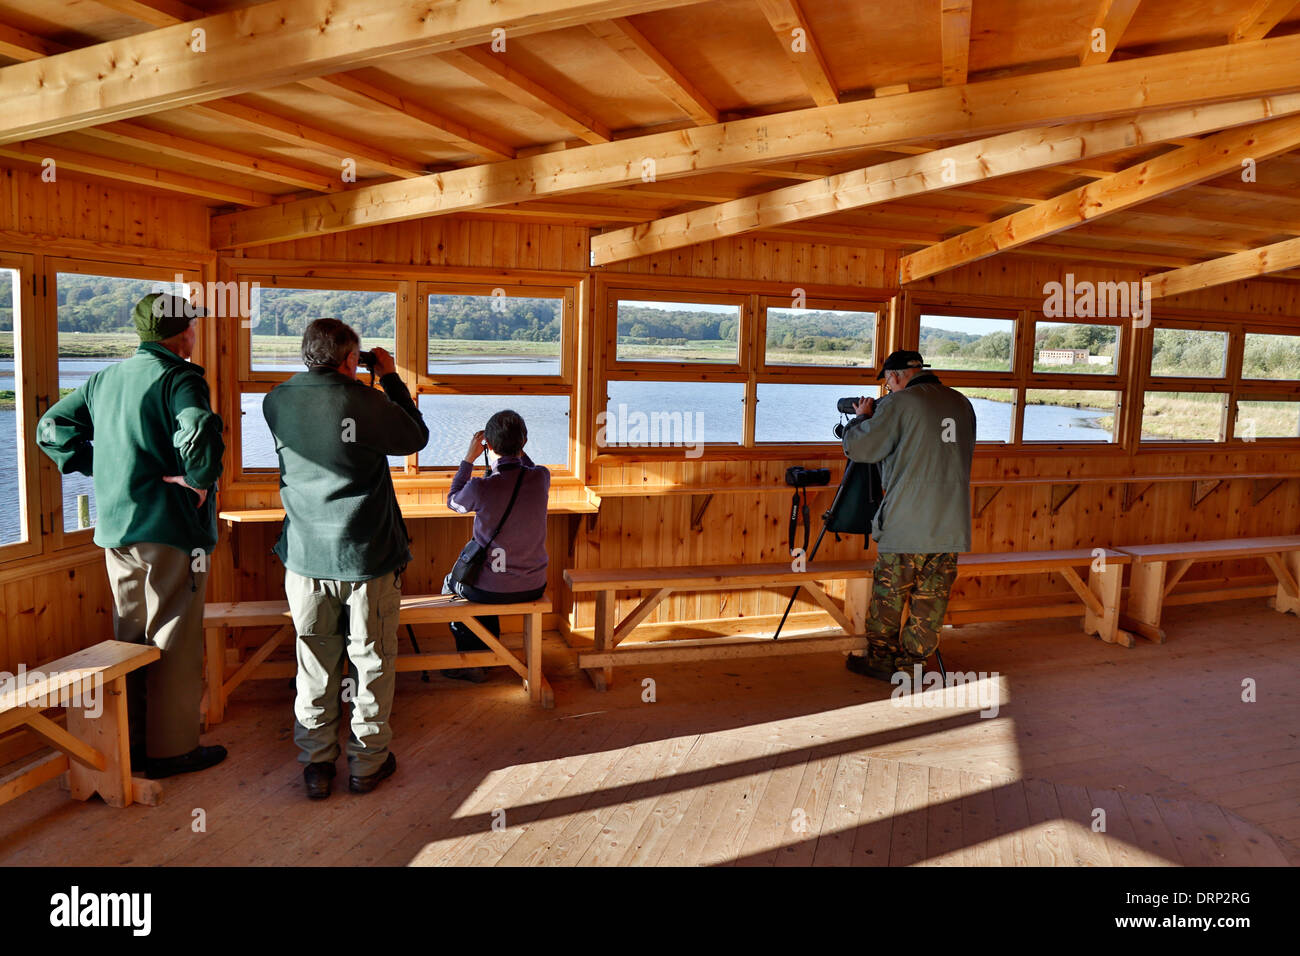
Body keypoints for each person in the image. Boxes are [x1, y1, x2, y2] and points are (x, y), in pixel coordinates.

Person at [36, 292, 227, 780]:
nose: (194, 334)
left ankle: (132, 744)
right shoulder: (180, 377)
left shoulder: (104, 379)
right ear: (183, 332)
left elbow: (50, 426)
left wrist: (93, 462)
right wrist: (199, 479)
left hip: (118, 530)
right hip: (169, 530)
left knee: (132, 635)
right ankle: (171, 751)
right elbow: (198, 426)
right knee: (174, 639)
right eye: (192, 327)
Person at [262, 319, 429, 800]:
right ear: (350, 360)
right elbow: (414, 437)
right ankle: (367, 764)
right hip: (365, 557)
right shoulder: (365, 401)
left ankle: (316, 765)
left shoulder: (276, 400)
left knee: (314, 661)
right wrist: (390, 378)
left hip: (305, 558)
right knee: (372, 661)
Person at [840, 350, 975, 682]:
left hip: (906, 522)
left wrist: (862, 418)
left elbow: (860, 449)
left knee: (889, 598)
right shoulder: (961, 403)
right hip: (950, 523)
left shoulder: (897, 404)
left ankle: (881, 661)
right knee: (930, 604)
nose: (888, 386)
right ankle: (913, 667)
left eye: (887, 380)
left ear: (897, 376)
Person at [442, 410, 550, 683]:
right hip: (534, 584)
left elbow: (453, 502)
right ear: (524, 442)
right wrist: (516, 448)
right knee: (485, 583)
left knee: (452, 585)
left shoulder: (481, 487)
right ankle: (490, 652)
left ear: (488, 445)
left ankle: (475, 662)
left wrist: (469, 458)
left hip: (490, 590)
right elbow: (527, 469)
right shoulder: (541, 478)